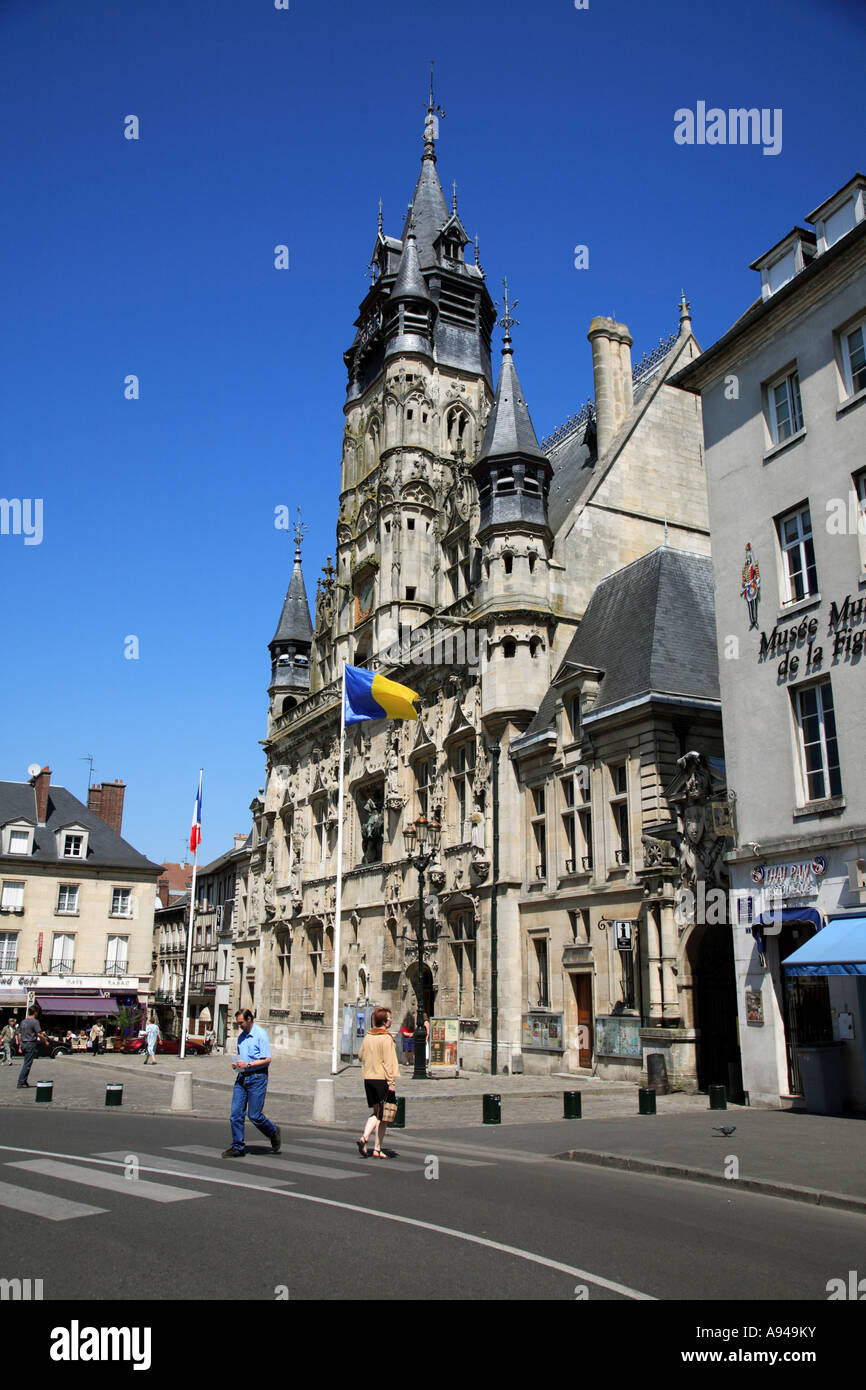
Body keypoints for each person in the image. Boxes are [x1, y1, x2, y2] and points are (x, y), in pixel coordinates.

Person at [222, 1009, 281, 1158]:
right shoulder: (241, 1037)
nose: (239, 1025)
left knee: (254, 1115)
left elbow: (267, 1059)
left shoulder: (260, 1034)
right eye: (237, 1023)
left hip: (257, 1078)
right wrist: (237, 1065)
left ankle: (273, 1131)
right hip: (241, 1078)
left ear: (249, 1019)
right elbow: (241, 1057)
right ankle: (238, 1146)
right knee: (235, 1113)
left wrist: (248, 1065)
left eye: (241, 1022)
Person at [357, 1006, 399, 1159]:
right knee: (383, 1116)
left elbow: (361, 1055)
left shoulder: (368, 1036)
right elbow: (389, 1064)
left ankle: (376, 1149)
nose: (391, 1020)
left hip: (368, 1079)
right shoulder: (386, 1038)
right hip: (382, 1080)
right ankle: (365, 1138)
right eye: (389, 1018)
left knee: (377, 1113)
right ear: (384, 1022)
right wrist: (392, 1084)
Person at [17, 1007, 47, 1089]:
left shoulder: (23, 1021)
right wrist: (45, 1041)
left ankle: (24, 1080)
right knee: (27, 1064)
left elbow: (19, 1034)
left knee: (26, 1062)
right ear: (35, 1012)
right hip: (30, 1043)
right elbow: (39, 1034)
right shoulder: (35, 1022)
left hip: (23, 1043)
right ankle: (21, 1081)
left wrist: (20, 1045)